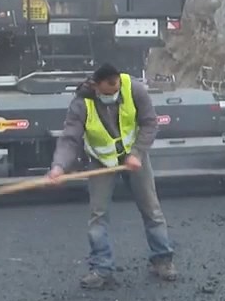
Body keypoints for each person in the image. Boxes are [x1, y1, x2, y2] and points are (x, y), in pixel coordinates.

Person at [48, 63, 177, 289]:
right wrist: (59, 167)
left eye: (115, 90)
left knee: (151, 209)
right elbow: (70, 139)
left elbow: (149, 123)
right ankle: (102, 269)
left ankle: (162, 260)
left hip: (134, 159)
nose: (113, 95)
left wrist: (137, 153)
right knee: (98, 215)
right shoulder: (81, 102)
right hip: (102, 161)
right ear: (95, 86)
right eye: (108, 93)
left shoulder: (134, 89)